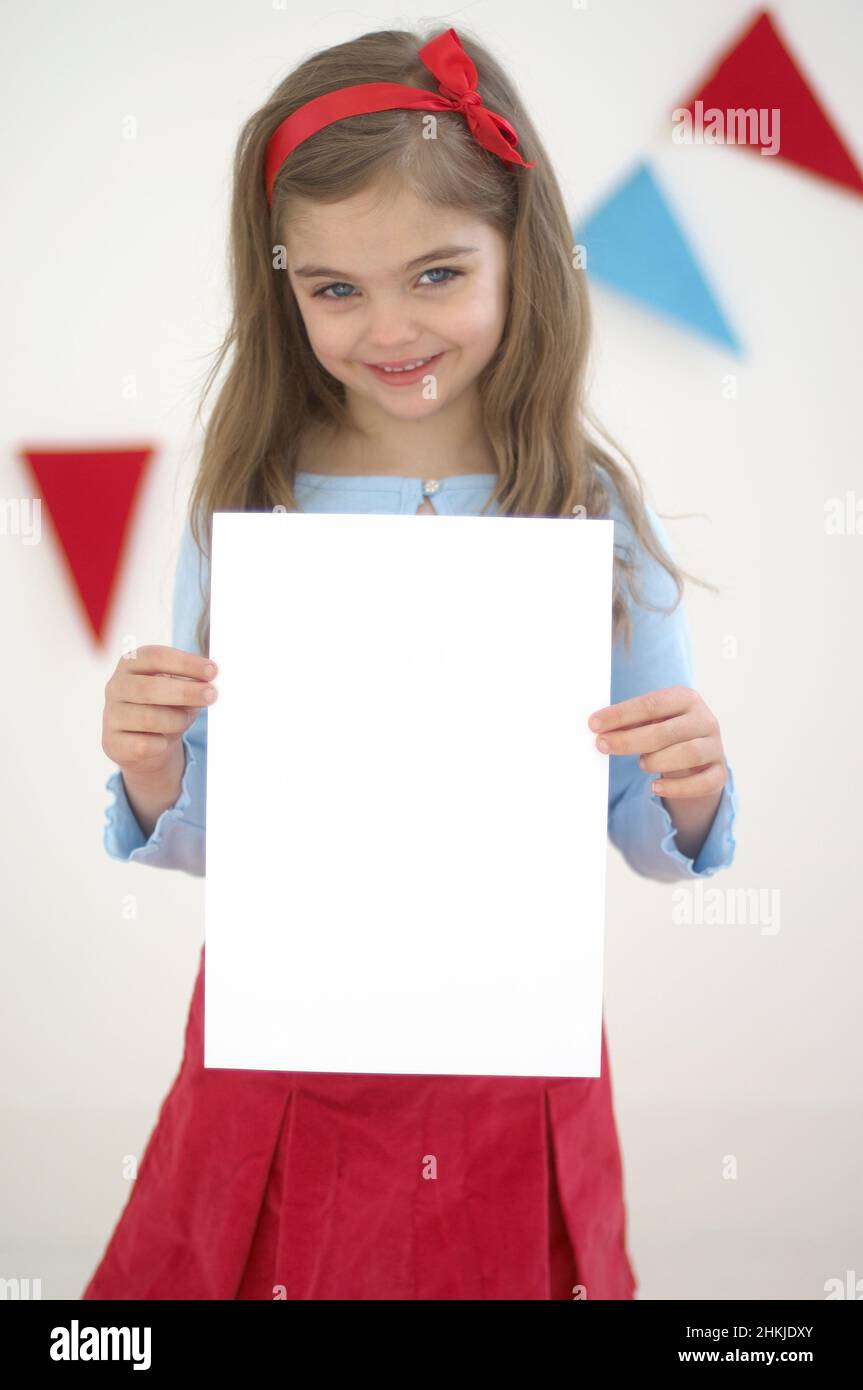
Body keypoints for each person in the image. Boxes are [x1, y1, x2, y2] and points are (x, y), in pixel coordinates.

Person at [85, 25, 738, 1300]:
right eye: (333, 288)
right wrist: (152, 762)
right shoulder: (251, 497)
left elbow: (647, 833)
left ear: (521, 256)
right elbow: (221, 830)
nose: (388, 327)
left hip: (507, 1035)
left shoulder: (585, 504)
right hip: (285, 1037)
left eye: (435, 273)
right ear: (282, 287)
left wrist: (693, 781)